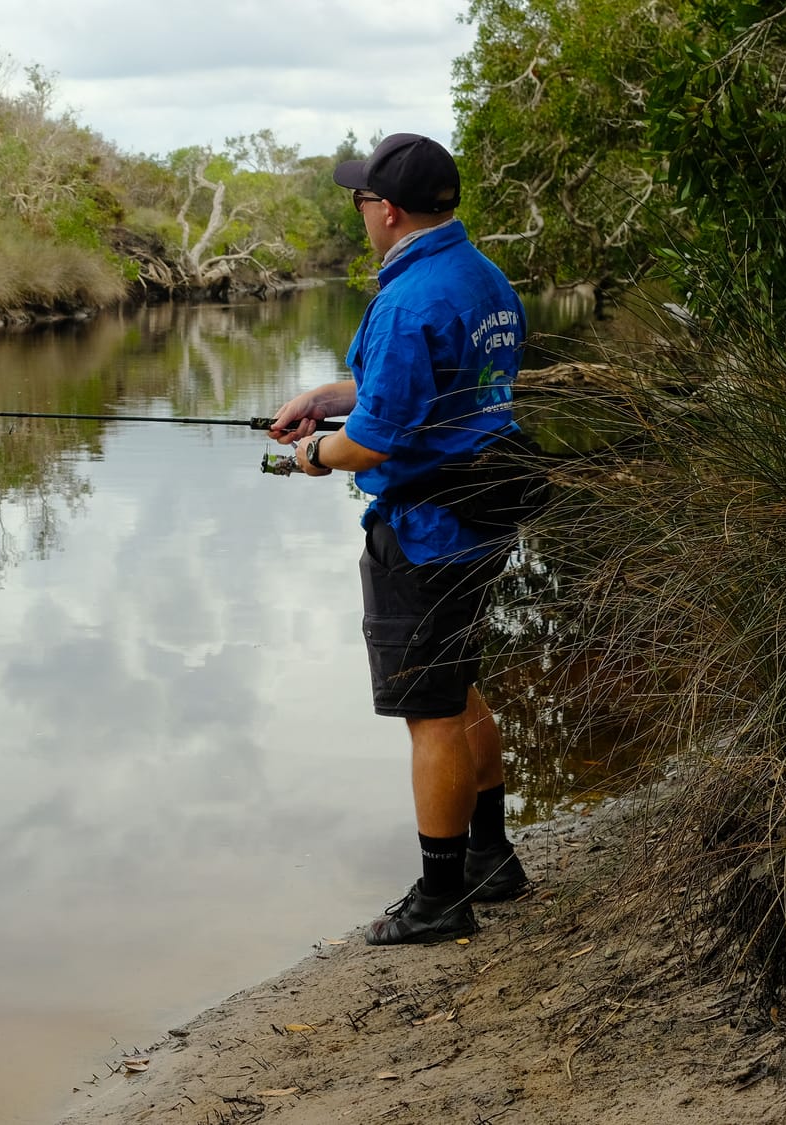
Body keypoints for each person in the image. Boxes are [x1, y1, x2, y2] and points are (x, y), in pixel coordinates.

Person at [270, 133, 531, 945]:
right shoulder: (481, 276)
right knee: (459, 687)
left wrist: (317, 452)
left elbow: (375, 439)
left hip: (425, 529)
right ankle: (493, 859)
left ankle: (441, 895)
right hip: (483, 516)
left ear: (386, 210)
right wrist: (326, 395)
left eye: (360, 200)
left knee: (431, 711)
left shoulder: (410, 297)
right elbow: (421, 384)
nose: (360, 212)